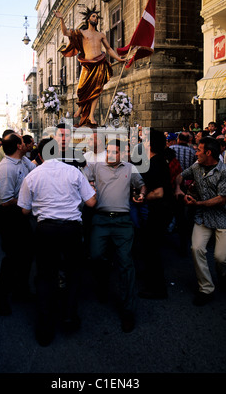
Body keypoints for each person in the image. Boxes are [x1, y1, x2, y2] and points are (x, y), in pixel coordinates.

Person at [17, 137, 96, 346]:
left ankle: (44, 325)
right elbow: (90, 201)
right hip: (71, 228)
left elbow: (24, 210)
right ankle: (69, 316)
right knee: (73, 272)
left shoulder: (33, 175)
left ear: (41, 155)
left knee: (45, 275)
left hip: (46, 229)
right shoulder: (74, 172)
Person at [86, 139, 145, 333]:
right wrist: (89, 188)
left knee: (126, 263)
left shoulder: (129, 168)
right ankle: (102, 284)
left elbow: (140, 185)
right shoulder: (96, 166)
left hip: (122, 222)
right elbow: (81, 179)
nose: (111, 155)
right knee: (95, 256)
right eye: (109, 151)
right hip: (101, 220)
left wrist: (141, 194)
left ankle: (128, 311)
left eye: (115, 152)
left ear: (123, 154)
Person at [175, 137, 226, 306]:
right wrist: (178, 188)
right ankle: (206, 288)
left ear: (208, 153)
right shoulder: (196, 166)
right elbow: (181, 175)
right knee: (196, 248)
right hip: (203, 217)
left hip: (224, 217)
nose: (196, 152)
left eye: (199, 150)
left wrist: (198, 203)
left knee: (221, 258)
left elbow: (222, 199)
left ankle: (222, 274)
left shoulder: (225, 172)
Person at [0, 133, 36, 316]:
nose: (28, 143)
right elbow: (5, 200)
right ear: (19, 146)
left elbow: (35, 173)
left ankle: (21, 291)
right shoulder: (7, 168)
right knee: (13, 256)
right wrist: (28, 199)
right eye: (24, 141)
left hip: (19, 213)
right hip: (7, 215)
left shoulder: (23, 161)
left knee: (27, 252)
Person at [55, 7, 125, 127]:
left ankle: (91, 114)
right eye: (93, 16)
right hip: (87, 64)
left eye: (97, 17)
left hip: (99, 63)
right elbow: (65, 33)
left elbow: (108, 49)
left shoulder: (101, 35)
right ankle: (81, 108)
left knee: (96, 91)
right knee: (81, 88)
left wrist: (119, 59)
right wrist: (61, 19)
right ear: (88, 19)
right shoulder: (82, 33)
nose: (95, 19)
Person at [136, 129, 174, 299]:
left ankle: (158, 288)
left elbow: (158, 192)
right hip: (157, 210)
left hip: (160, 210)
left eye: (143, 140)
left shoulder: (156, 163)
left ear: (150, 144)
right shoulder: (153, 160)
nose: (140, 143)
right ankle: (151, 277)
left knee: (152, 249)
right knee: (149, 247)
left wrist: (143, 198)